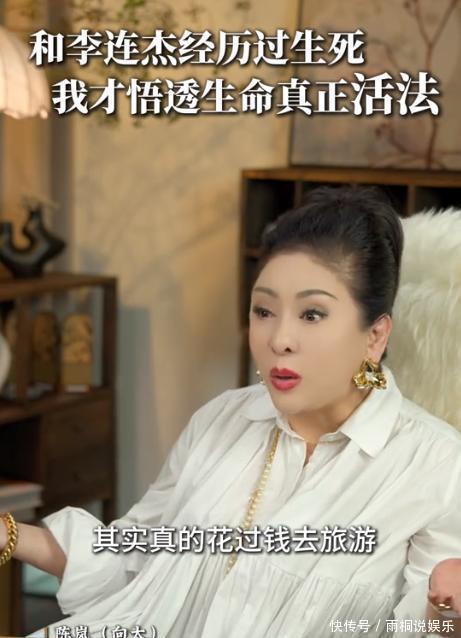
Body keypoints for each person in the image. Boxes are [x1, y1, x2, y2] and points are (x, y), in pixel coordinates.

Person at [1, 186, 461, 638]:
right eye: (263, 311)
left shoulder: (437, 464)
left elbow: (428, 626)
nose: (279, 339)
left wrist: (446, 610)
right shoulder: (222, 418)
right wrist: (9, 534)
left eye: (312, 314)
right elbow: (133, 558)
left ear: (375, 336)